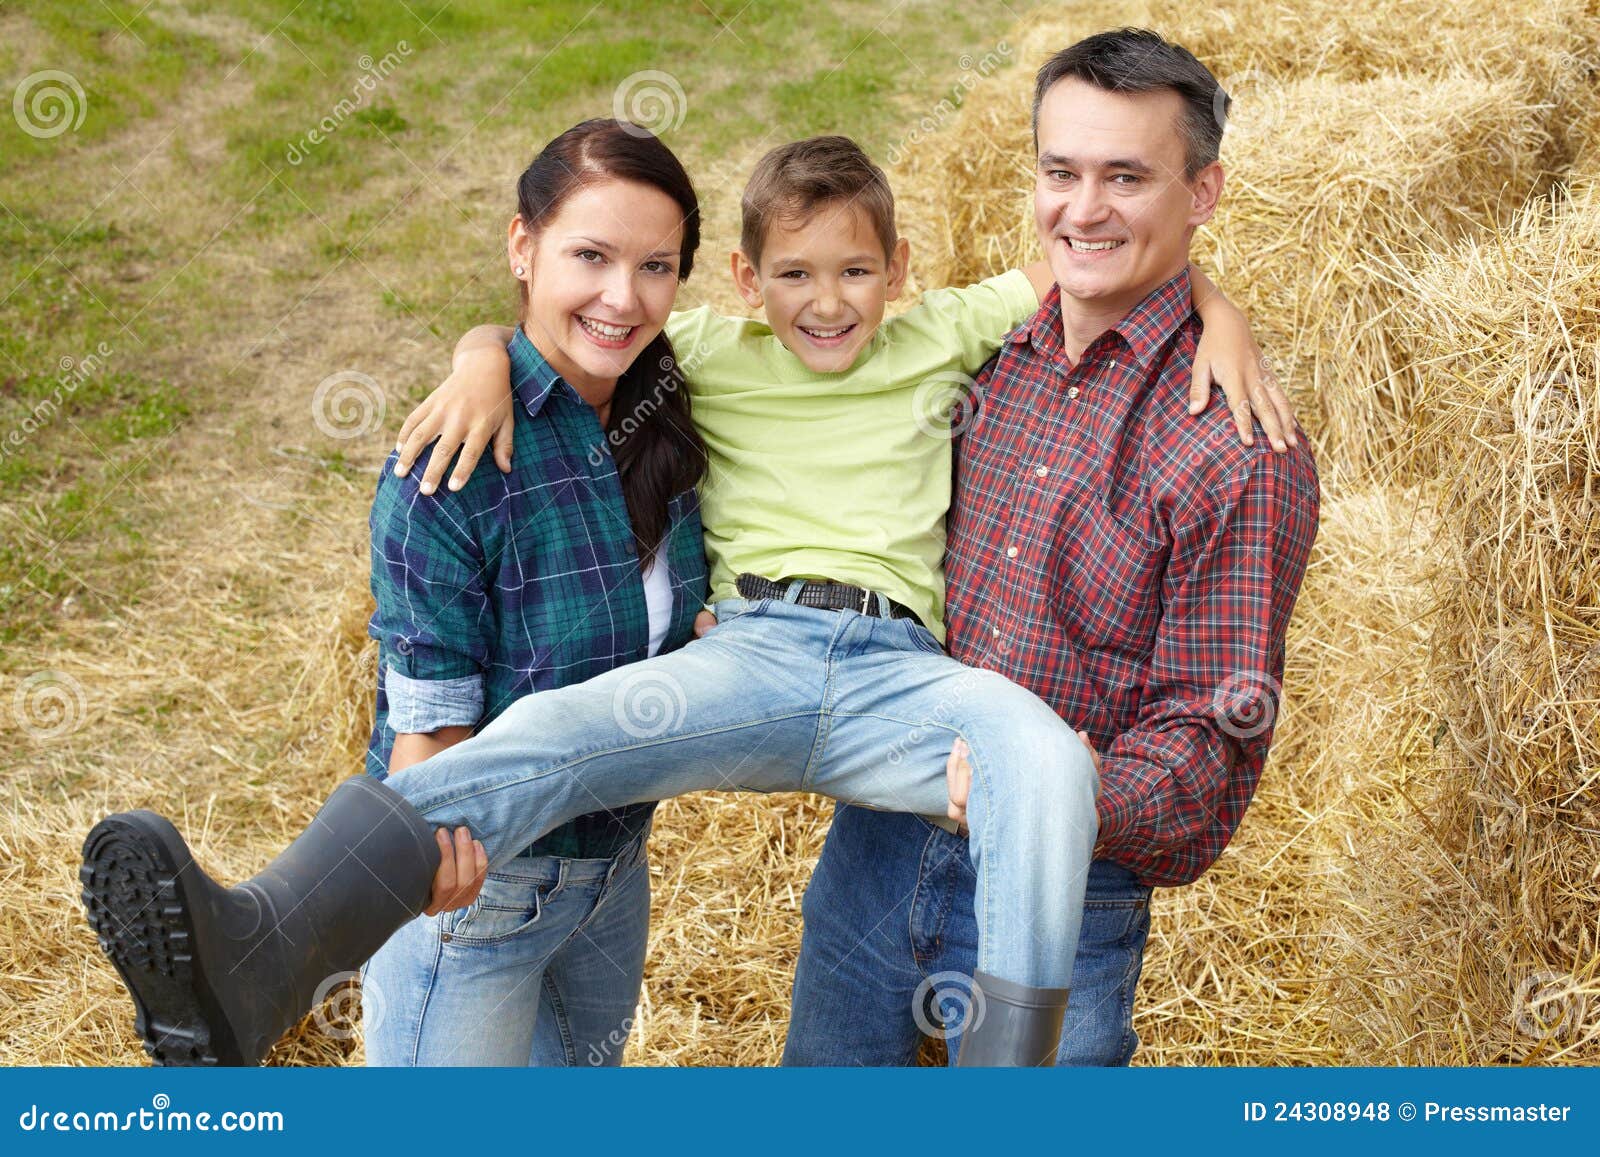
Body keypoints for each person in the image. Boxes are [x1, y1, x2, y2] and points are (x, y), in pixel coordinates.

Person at [80, 122, 1278, 1069]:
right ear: (749, 279)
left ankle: (1009, 1081)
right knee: (550, 731)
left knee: (1044, 756)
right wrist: (475, 352)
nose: (827, 300)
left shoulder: (940, 332)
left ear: (900, 271)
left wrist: (1219, 312)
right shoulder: (705, 347)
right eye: (796, 274)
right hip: (750, 654)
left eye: (858, 271)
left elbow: (1103, 257)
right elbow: (565, 337)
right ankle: (267, 940)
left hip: (903, 675)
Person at [781, 29, 1321, 1065]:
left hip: (1061, 891)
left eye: (1126, 176)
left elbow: (1212, 744)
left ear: (1202, 191)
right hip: (877, 848)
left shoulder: (1239, 452)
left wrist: (1057, 786)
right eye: (1060, 172)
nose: (1083, 208)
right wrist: (484, 347)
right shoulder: (980, 352)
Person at [358, 119, 710, 1067]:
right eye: (589, 256)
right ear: (523, 245)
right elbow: (425, 725)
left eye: (656, 267)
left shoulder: (669, 411)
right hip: (480, 893)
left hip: (613, 876)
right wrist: (425, 848)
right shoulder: (456, 462)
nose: (622, 298)